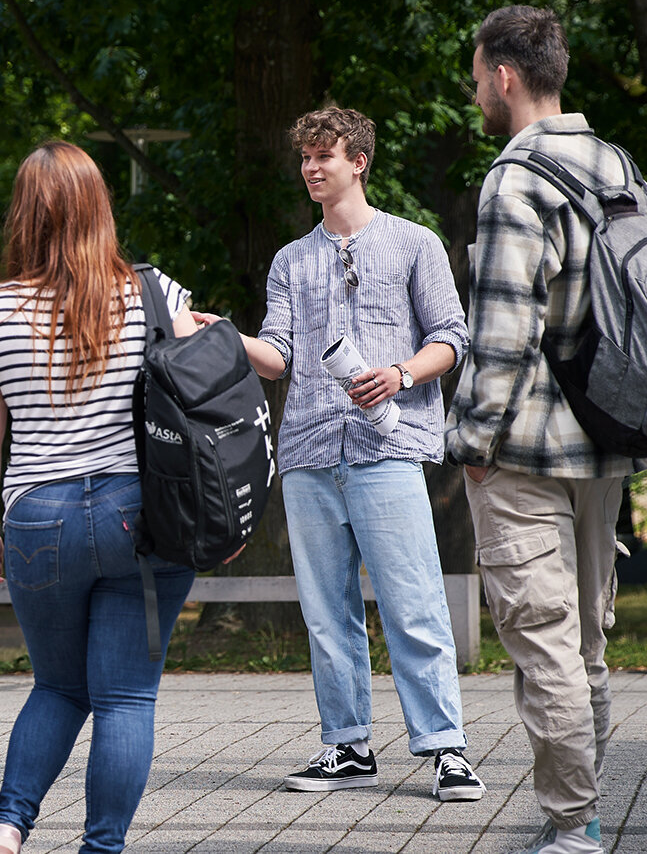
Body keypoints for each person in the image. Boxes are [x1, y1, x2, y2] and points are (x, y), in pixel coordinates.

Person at [446, 5, 647, 854]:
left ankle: (575, 829)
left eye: (475, 81)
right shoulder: (621, 166)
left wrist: (468, 446)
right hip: (608, 436)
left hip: (526, 450)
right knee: (587, 644)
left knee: (545, 646)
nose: (476, 95)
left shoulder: (515, 178)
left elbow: (500, 332)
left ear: (504, 76)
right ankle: (582, 813)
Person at [223, 106, 483, 803]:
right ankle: (346, 746)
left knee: (414, 602)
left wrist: (399, 373)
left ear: (358, 161)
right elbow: (276, 358)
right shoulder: (290, 261)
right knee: (326, 611)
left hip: (387, 446)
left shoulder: (413, 244)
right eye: (305, 158)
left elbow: (454, 337)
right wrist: (221, 336)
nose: (311, 168)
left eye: (324, 156)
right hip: (308, 452)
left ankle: (446, 750)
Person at [0, 140, 202, 854]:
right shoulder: (153, 292)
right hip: (141, 516)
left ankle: (7, 828)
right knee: (125, 697)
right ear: (99, 209)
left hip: (37, 518)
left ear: (24, 214)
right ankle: (101, 848)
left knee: (58, 688)